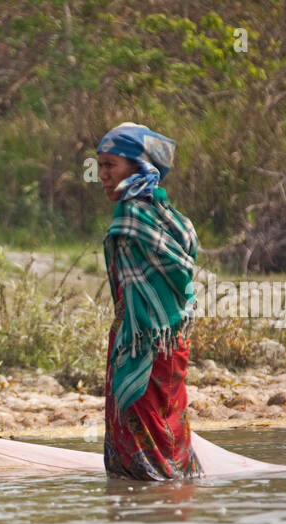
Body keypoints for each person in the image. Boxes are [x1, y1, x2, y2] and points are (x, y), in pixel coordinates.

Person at [96, 123, 203, 481]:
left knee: (141, 429)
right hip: (171, 342)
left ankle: (149, 498)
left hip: (138, 341)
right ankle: (173, 491)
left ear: (139, 167)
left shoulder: (131, 216)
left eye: (111, 165)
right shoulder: (173, 219)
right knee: (168, 422)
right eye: (99, 166)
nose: (103, 176)